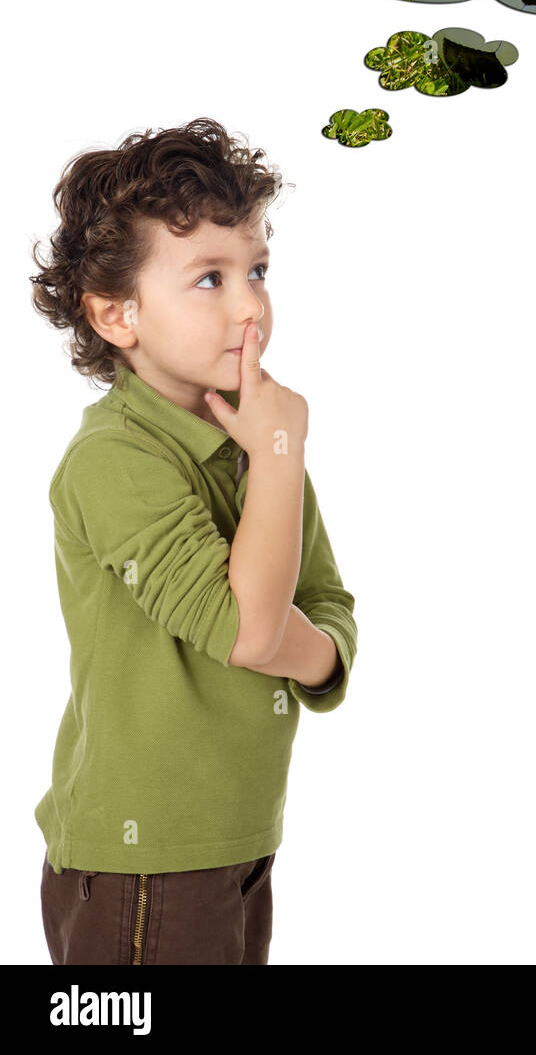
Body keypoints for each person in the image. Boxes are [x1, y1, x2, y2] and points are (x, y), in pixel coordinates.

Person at [30, 117, 357, 964]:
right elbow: (253, 630)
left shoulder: (258, 446)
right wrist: (281, 456)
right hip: (145, 865)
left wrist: (313, 656)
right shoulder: (114, 460)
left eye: (256, 271)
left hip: (242, 840)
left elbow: (323, 605)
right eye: (209, 279)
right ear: (116, 314)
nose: (251, 305)